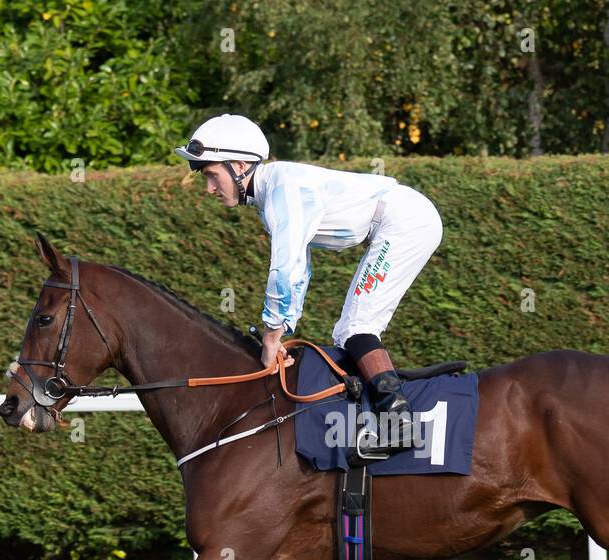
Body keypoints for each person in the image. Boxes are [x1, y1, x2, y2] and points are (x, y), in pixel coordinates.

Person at [175, 113, 444, 454]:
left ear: (240, 165)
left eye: (212, 175)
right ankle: (383, 418)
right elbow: (299, 269)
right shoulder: (272, 190)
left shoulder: (281, 191)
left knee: (356, 328)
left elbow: (284, 269)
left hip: (405, 221)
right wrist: (282, 329)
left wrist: (271, 336)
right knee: (348, 330)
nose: (209, 188)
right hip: (401, 220)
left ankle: (399, 422)